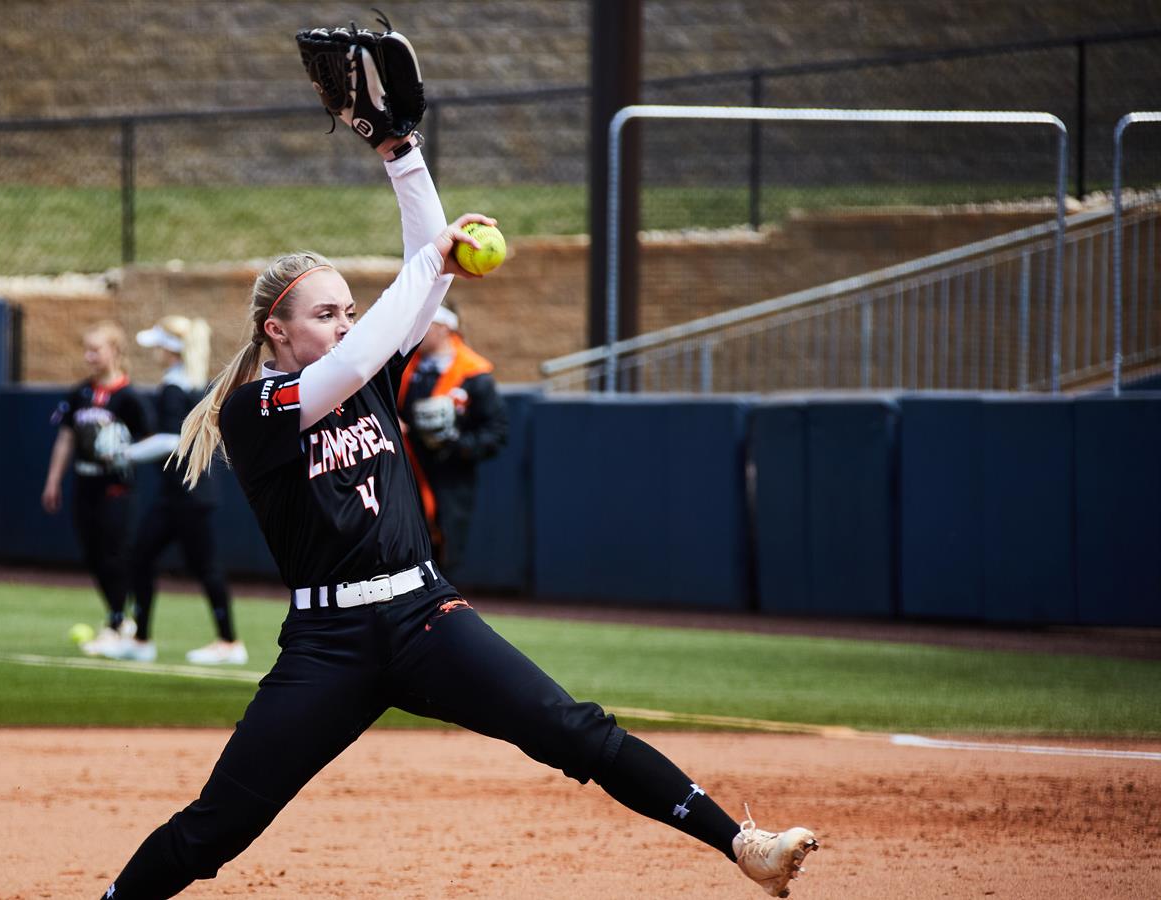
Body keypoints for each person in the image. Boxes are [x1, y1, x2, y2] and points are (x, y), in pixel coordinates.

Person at [100, 99, 818, 900]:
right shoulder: (256, 408)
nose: (346, 325)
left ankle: (741, 845)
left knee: (571, 729)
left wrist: (403, 156)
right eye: (325, 313)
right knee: (219, 824)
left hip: (423, 618)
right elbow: (378, 327)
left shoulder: (366, 371)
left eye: (348, 311)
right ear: (277, 329)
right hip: (328, 644)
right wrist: (431, 259)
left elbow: (408, 293)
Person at [117, 315, 246, 665]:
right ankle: (141, 639)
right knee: (142, 556)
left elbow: (173, 439)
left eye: (160, 345)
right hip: (180, 493)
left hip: (189, 494)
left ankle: (229, 642)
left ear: (170, 349)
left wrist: (124, 453)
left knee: (204, 567)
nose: (156, 351)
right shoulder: (186, 382)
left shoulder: (176, 386)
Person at [41, 322, 152, 657]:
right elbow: (66, 437)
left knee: (114, 554)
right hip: (84, 484)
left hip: (116, 488)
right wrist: (53, 481)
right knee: (92, 555)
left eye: (96, 349)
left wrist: (122, 454)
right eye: (87, 350)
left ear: (115, 351)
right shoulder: (80, 394)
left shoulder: (129, 397)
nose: (90, 356)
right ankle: (119, 616)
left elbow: (148, 440)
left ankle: (117, 622)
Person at [397, 297, 508, 580]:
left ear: (445, 327)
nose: (417, 329)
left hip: (450, 485)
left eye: (426, 322)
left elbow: (496, 433)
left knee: (442, 566)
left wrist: (452, 442)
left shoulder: (475, 375)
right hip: (404, 478)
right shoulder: (402, 368)